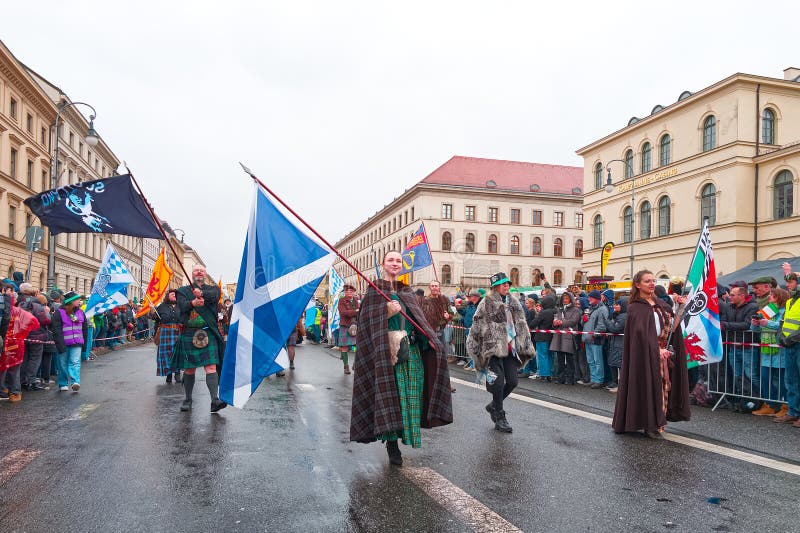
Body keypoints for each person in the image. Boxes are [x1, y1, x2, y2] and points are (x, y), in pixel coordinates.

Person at [349, 251, 452, 466]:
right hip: (388, 353)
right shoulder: (374, 292)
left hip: (411, 351)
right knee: (392, 397)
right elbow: (365, 322)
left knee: (411, 396)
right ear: (383, 264)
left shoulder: (407, 292)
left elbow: (419, 321)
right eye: (391, 260)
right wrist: (386, 311)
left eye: (398, 260)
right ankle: (392, 442)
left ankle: (407, 434)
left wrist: (430, 340)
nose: (395, 264)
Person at [612, 270, 691, 438]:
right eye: (647, 281)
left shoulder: (661, 305)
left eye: (653, 280)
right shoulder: (635, 308)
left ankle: (658, 423)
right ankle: (650, 424)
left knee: (664, 388)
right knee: (648, 387)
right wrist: (656, 349)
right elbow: (640, 335)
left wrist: (681, 307)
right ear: (637, 285)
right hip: (644, 354)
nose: (652, 283)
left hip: (662, 352)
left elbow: (672, 329)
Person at [467, 272, 534, 433]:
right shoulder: (486, 302)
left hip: (511, 350)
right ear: (495, 286)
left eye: (508, 284)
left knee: (512, 382)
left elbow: (522, 324)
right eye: (503, 284)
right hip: (493, 350)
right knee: (497, 384)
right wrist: (475, 348)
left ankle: (493, 406)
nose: (506, 286)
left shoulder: (514, 301)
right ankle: (500, 416)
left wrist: (525, 343)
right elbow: (476, 325)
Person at [171, 265, 226, 413]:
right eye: (196, 270)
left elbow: (214, 297)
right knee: (189, 369)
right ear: (192, 274)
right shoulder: (182, 291)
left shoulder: (213, 289)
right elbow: (181, 306)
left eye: (201, 270)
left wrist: (201, 293)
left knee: (211, 367)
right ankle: (188, 399)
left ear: (205, 273)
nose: (199, 272)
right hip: (190, 332)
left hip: (208, 333)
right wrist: (192, 303)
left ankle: (215, 400)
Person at [750, 288, 789, 417]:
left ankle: (784, 406)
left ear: (780, 297)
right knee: (765, 379)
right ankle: (770, 405)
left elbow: (782, 326)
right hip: (767, 352)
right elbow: (754, 329)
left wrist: (768, 323)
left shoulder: (786, 310)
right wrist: (755, 323)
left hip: (781, 351)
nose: (770, 297)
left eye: (773, 295)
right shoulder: (768, 310)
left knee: (782, 381)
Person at [52, 291, 88, 392]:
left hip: (77, 342)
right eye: (77, 299)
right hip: (63, 343)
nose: (79, 301)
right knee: (62, 364)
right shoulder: (59, 313)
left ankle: (75, 382)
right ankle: (63, 383)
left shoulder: (80, 312)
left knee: (75, 362)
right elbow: (56, 330)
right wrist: (60, 344)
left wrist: (84, 344)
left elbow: (84, 329)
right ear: (71, 301)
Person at [17, 283, 52, 391]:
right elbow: (46, 320)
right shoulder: (38, 306)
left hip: (23, 335)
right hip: (37, 335)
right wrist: (47, 313)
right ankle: (31, 381)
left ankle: (22, 381)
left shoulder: (20, 304)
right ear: (34, 294)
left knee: (25, 358)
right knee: (35, 359)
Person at [550, 292, 581, 385]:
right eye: (564, 299)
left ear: (570, 299)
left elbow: (573, 321)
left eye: (567, 298)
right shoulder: (559, 309)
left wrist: (561, 322)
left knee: (569, 358)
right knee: (560, 358)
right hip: (559, 336)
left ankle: (570, 378)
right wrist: (554, 324)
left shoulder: (575, 310)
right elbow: (556, 320)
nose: (565, 300)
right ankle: (560, 378)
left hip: (568, 336)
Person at [154, 289, 182, 383]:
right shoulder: (162, 306)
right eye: (172, 294)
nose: (174, 296)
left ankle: (177, 373)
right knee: (167, 354)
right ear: (168, 296)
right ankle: (169, 373)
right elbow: (155, 318)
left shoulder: (181, 306)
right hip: (165, 331)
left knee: (177, 353)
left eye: (176, 294)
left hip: (178, 331)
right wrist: (151, 309)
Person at [582, 289, 608, 389]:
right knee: (590, 361)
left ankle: (599, 380)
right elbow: (584, 323)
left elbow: (602, 325)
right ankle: (593, 379)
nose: (588, 299)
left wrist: (595, 334)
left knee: (598, 361)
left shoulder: (602, 309)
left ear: (596, 298)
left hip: (595, 339)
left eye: (590, 297)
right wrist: (583, 319)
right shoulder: (589, 308)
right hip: (587, 338)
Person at [422, 280, 454, 363]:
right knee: (431, 356)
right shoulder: (425, 301)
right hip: (430, 332)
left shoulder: (444, 300)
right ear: (429, 288)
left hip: (441, 331)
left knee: (443, 356)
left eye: (436, 286)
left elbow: (451, 313)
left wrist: (448, 316)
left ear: (439, 287)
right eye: (432, 286)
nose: (434, 288)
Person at [603, 297, 628, 393]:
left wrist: (607, 322)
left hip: (620, 344)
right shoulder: (618, 315)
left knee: (619, 364)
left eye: (617, 304)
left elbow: (615, 329)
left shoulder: (623, 316)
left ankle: (619, 386)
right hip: (615, 342)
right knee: (613, 362)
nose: (614, 306)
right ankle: (615, 383)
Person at [531, 294, 556, 382]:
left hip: (541, 336)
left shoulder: (544, 312)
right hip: (551, 336)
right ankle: (550, 374)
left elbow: (534, 323)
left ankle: (544, 374)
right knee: (549, 356)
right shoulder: (554, 311)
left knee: (542, 356)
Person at [336, 284, 360, 374]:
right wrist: (356, 311)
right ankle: (346, 366)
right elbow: (343, 313)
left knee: (358, 346)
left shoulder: (356, 300)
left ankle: (355, 363)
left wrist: (357, 312)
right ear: (345, 292)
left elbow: (359, 311)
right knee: (345, 347)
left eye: (351, 291)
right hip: (345, 325)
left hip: (355, 325)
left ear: (354, 292)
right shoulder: (341, 301)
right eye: (347, 291)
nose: (350, 292)